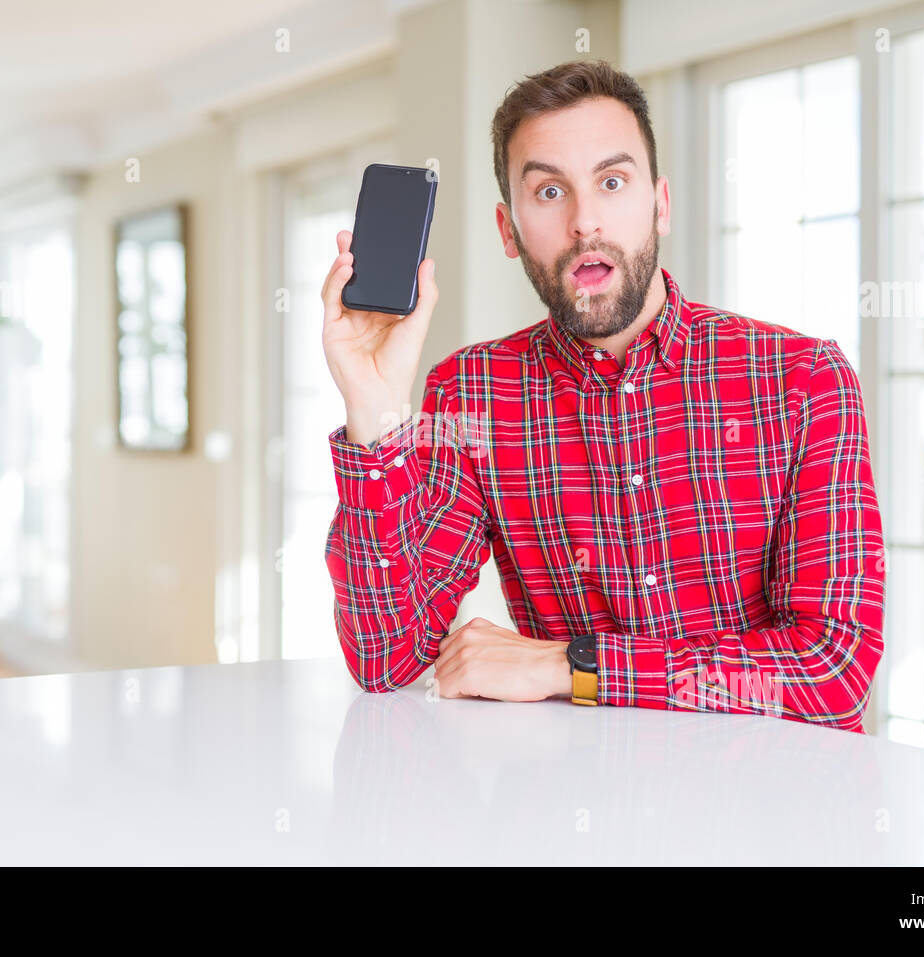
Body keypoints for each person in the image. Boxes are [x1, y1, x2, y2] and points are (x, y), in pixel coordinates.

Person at [321, 59, 886, 733]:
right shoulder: (472, 391)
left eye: (612, 181)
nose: (586, 221)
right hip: (573, 814)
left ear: (660, 204)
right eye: (550, 192)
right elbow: (385, 657)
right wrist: (373, 408)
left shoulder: (802, 379)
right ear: (509, 230)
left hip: (765, 821)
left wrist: (572, 665)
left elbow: (834, 670)